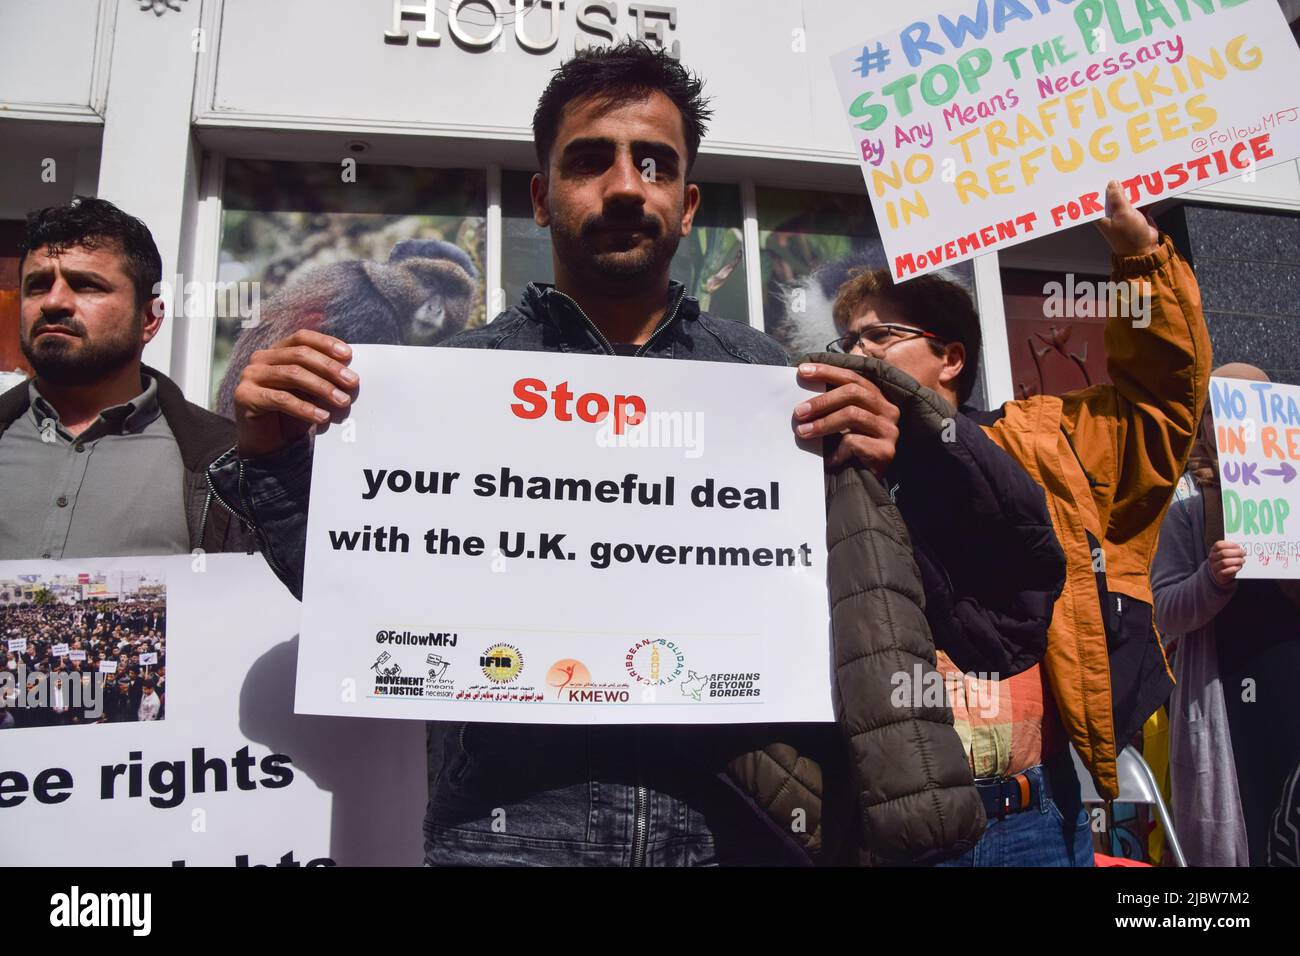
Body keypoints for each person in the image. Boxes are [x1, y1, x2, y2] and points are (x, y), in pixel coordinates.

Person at [209, 41, 1024, 866]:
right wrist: (274, 458)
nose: (627, 186)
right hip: (510, 830)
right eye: (591, 161)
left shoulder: (780, 385)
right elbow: (370, 595)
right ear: (540, 195)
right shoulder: (450, 384)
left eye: (655, 164)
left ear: (689, 200)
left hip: (746, 829)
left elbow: (918, 610)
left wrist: (893, 478)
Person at [827, 182, 1212, 865]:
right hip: (880, 827)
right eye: (847, 339)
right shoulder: (819, 466)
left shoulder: (1043, 446)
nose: (856, 352)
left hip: (1030, 818)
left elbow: (1159, 406)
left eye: (880, 335)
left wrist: (1141, 259)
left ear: (950, 357)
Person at [0, 197, 253, 558]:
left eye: (86, 285)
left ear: (149, 319)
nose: (53, 302)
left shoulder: (225, 462)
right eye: (38, 285)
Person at [1152, 363, 1300, 866]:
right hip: (1224, 715)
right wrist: (1211, 579)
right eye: (1216, 411)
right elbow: (1165, 612)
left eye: (1245, 407)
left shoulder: (1295, 505)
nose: (1231, 424)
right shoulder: (1185, 517)